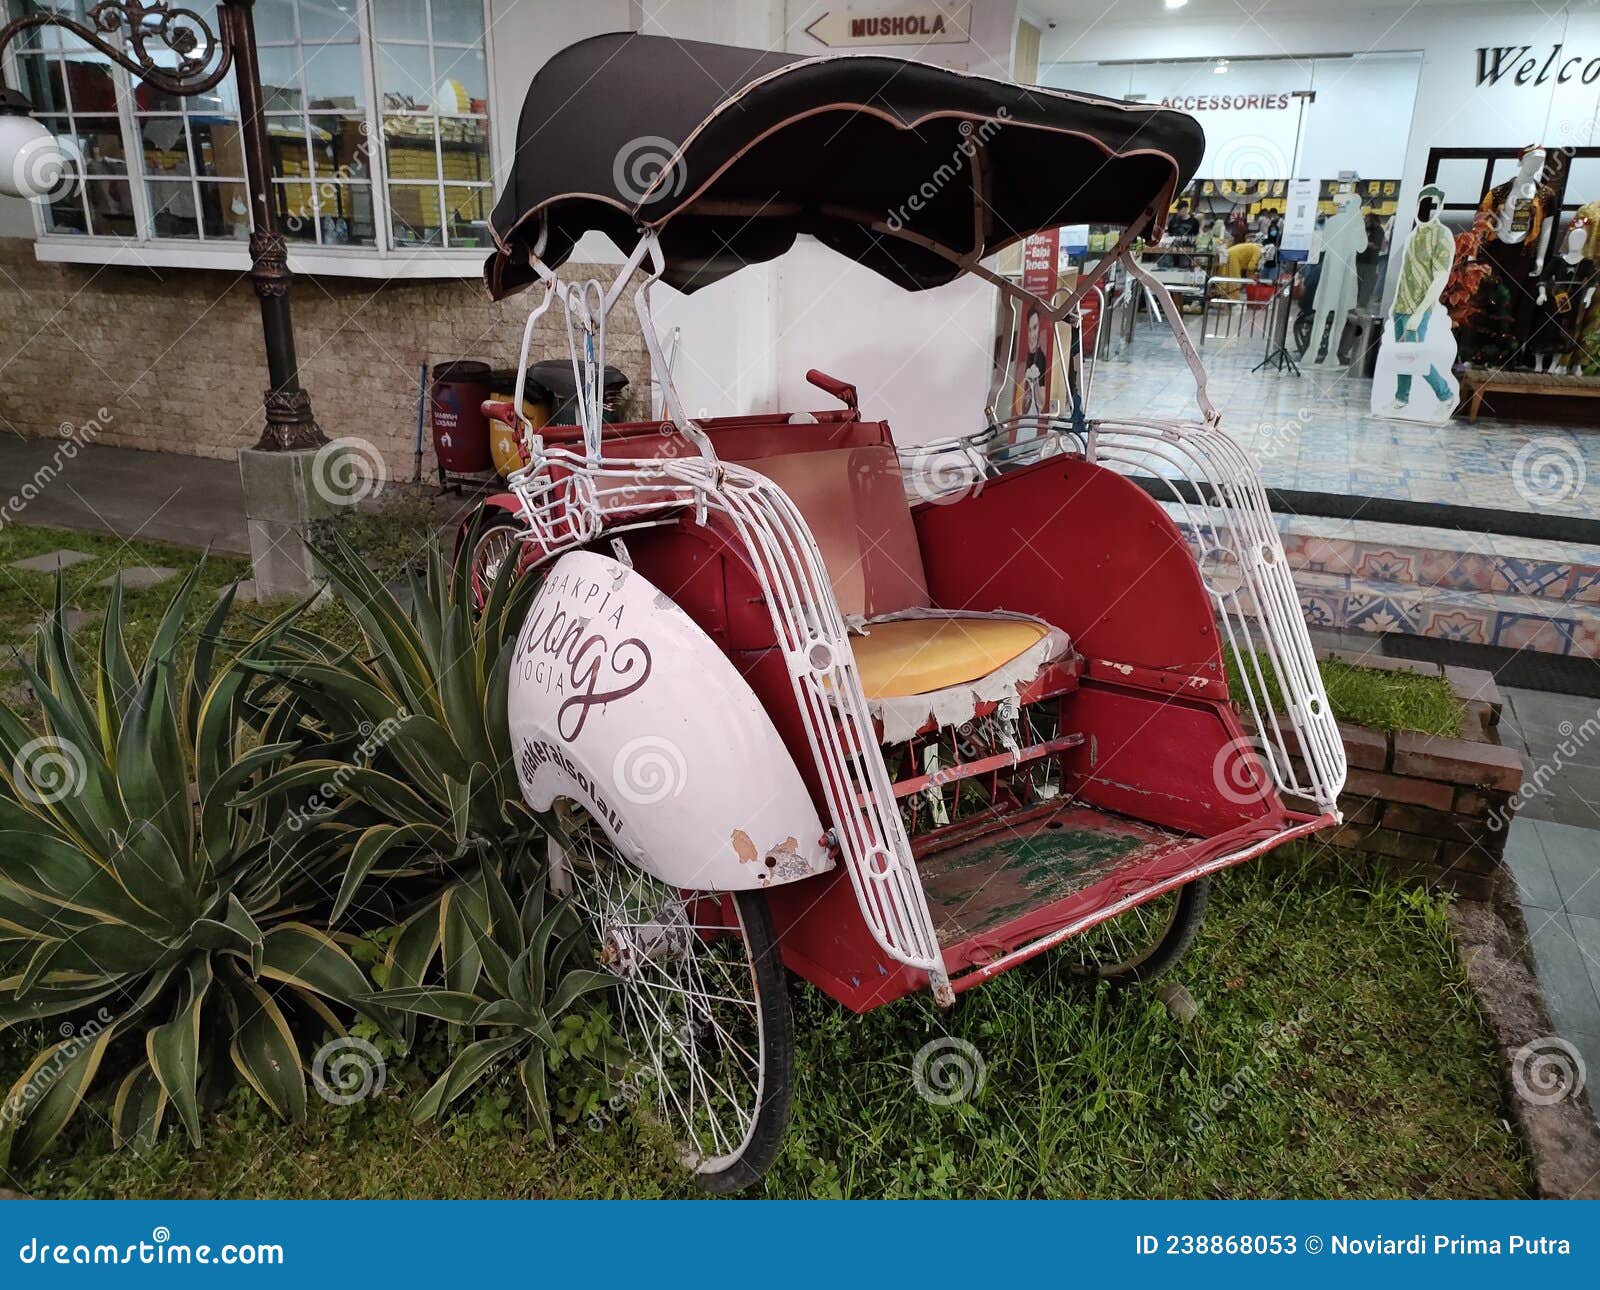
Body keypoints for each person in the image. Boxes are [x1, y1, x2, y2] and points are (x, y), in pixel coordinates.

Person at [1383, 184, 1455, 410]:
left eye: (1431, 205)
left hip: (1418, 306)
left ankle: (1445, 395)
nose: (1425, 210)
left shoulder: (1441, 236)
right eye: (1422, 204)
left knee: (1415, 356)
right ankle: (1402, 397)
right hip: (1402, 305)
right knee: (1403, 355)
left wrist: (1420, 311)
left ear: (1440, 207)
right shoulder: (1414, 235)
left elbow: (1440, 277)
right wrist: (1396, 305)